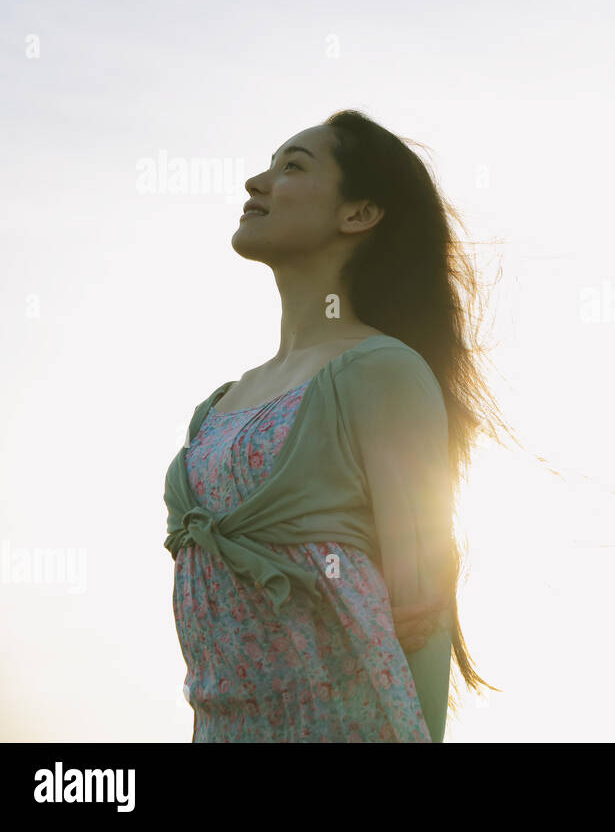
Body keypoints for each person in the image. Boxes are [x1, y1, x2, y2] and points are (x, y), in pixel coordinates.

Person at [163, 110, 506, 741]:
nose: (256, 183)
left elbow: (422, 613)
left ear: (359, 213)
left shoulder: (381, 371)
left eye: (292, 166)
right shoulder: (216, 408)